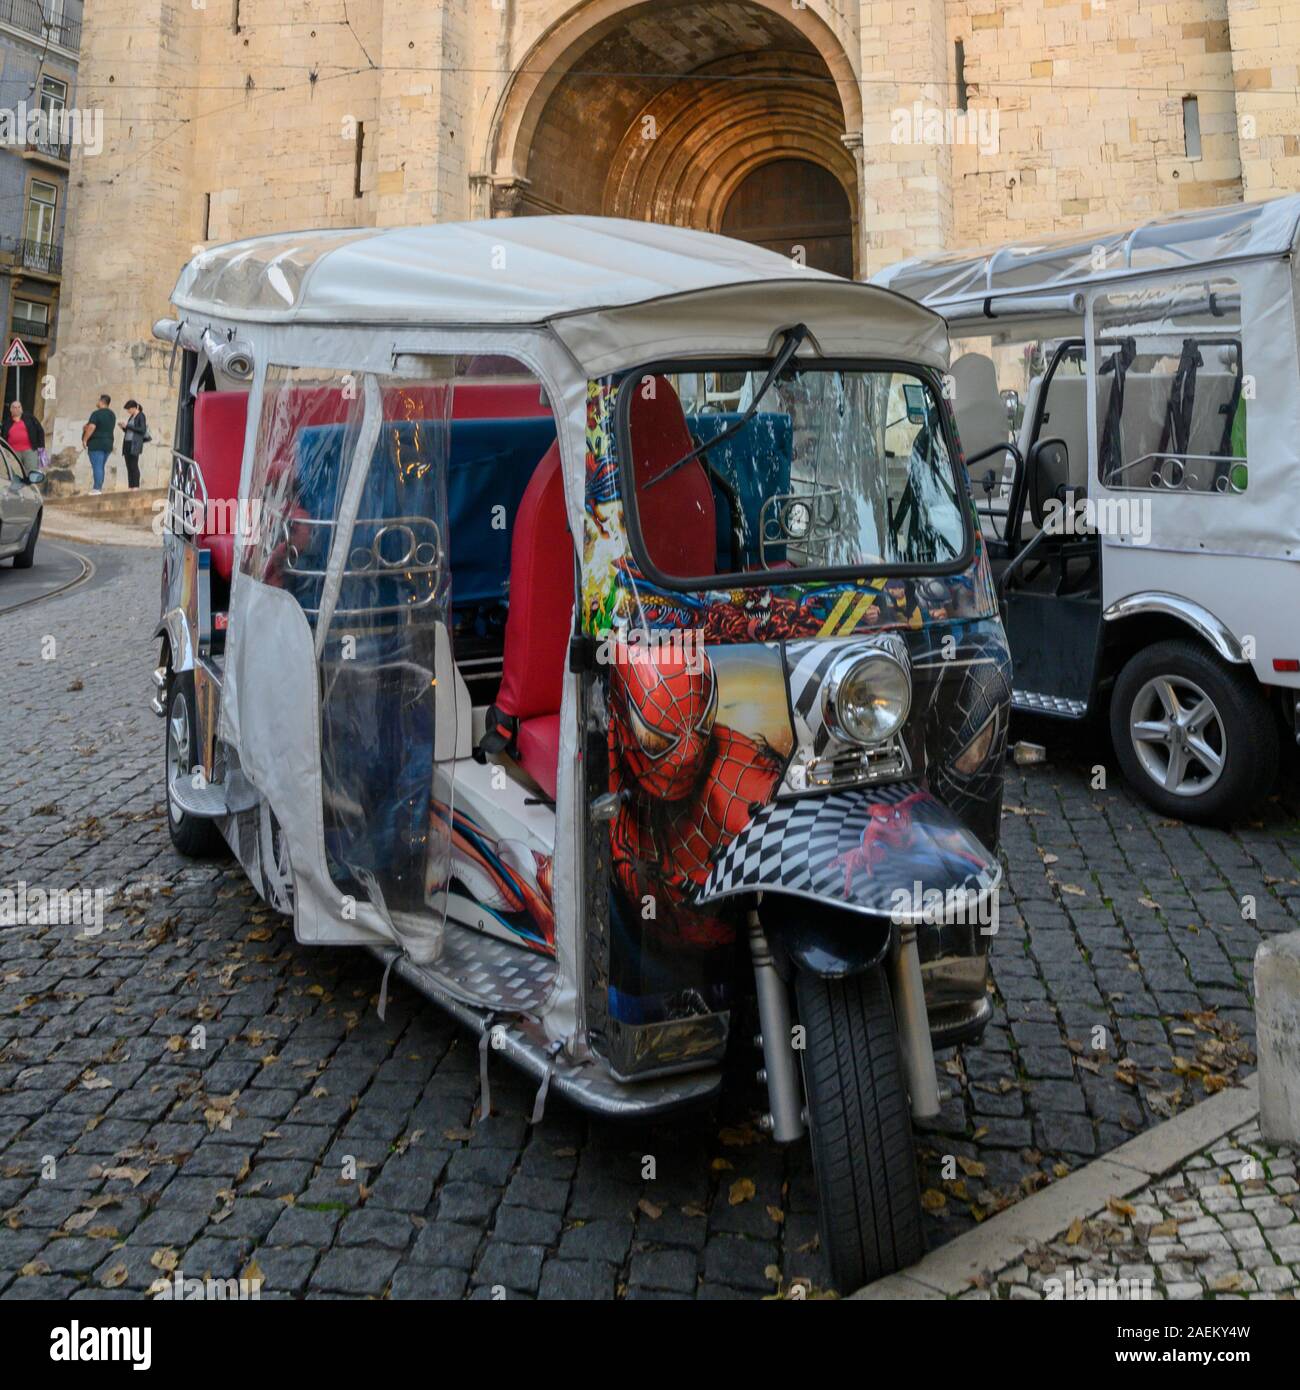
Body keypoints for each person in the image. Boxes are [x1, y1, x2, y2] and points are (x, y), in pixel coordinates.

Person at [81, 394, 116, 494]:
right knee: (100, 466)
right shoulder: (112, 415)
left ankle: (97, 489)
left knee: (97, 466)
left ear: (101, 401)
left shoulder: (96, 413)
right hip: (108, 444)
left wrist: (85, 439)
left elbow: (92, 427)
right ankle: (98, 488)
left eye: (98, 400)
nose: (97, 402)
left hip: (96, 444)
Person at [2, 400, 45, 475]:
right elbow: (3, 436)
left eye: (19, 407)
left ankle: (30, 486)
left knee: (32, 472)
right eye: (14, 407)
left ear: (21, 408)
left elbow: (40, 430)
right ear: (11, 409)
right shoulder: (7, 421)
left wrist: (41, 447)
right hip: (13, 452)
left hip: (30, 450)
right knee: (15, 473)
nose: (17, 409)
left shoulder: (30, 418)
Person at [118, 399, 149, 489]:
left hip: (134, 444)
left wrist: (128, 426)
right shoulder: (131, 417)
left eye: (129, 409)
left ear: (134, 408)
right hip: (127, 443)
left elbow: (142, 430)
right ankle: (130, 486)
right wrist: (123, 428)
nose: (128, 411)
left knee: (134, 465)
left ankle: (136, 486)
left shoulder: (141, 416)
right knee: (129, 466)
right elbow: (130, 430)